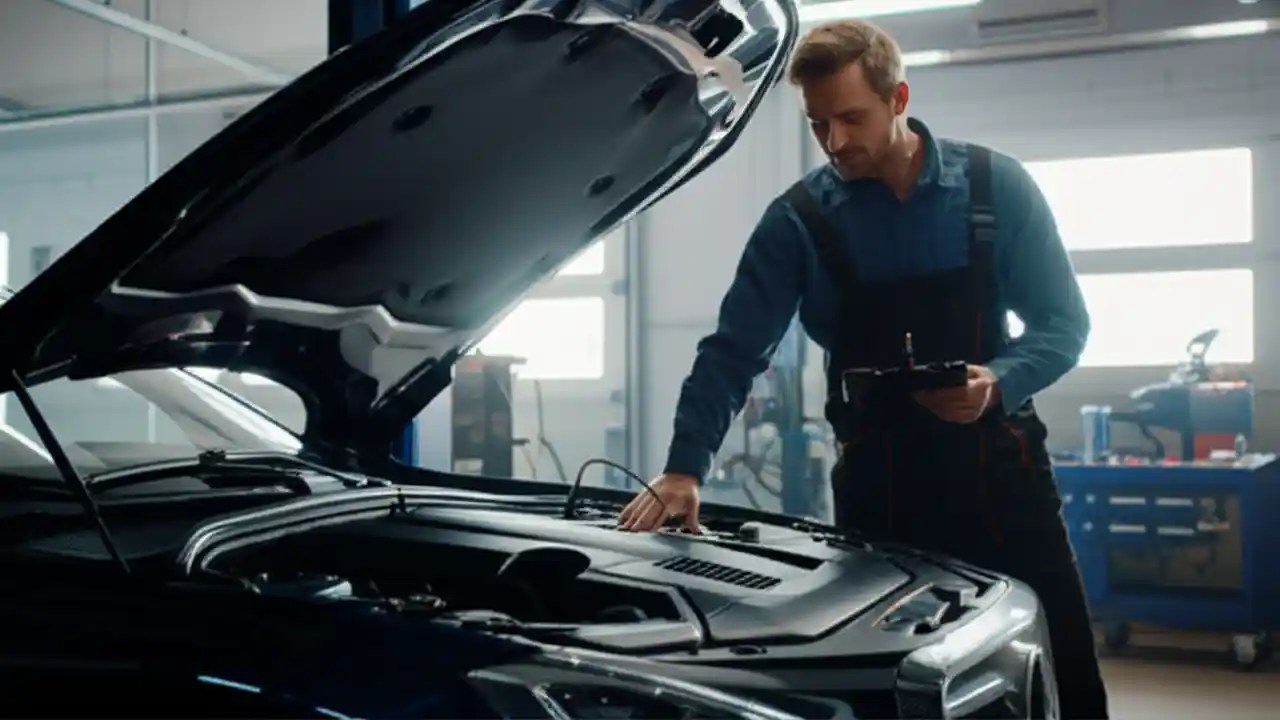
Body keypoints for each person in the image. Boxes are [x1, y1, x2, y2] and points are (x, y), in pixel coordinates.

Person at [617, 18, 1109, 720]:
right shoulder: (798, 222)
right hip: (882, 499)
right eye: (818, 124)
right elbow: (732, 351)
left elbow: (1065, 326)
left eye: (852, 119)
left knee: (1063, 672)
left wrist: (998, 382)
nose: (835, 142)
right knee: (892, 688)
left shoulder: (995, 189)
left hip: (1004, 483)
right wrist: (683, 469)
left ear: (898, 98)